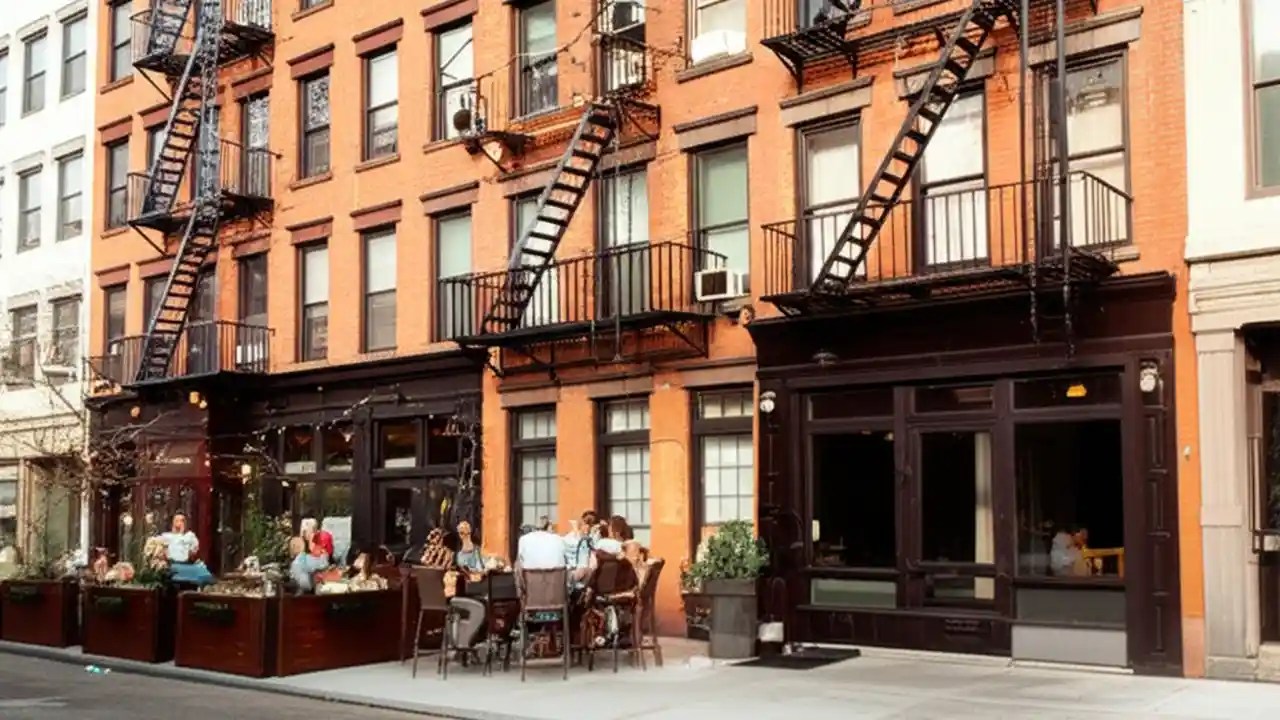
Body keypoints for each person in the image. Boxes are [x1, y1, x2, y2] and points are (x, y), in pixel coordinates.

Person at [159, 512, 215, 586]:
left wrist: (182, 535)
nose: (180, 523)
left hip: (187, 565)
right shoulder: (166, 536)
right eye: (177, 520)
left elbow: (193, 552)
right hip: (171, 565)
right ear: (173, 523)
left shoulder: (190, 536)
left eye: (182, 521)